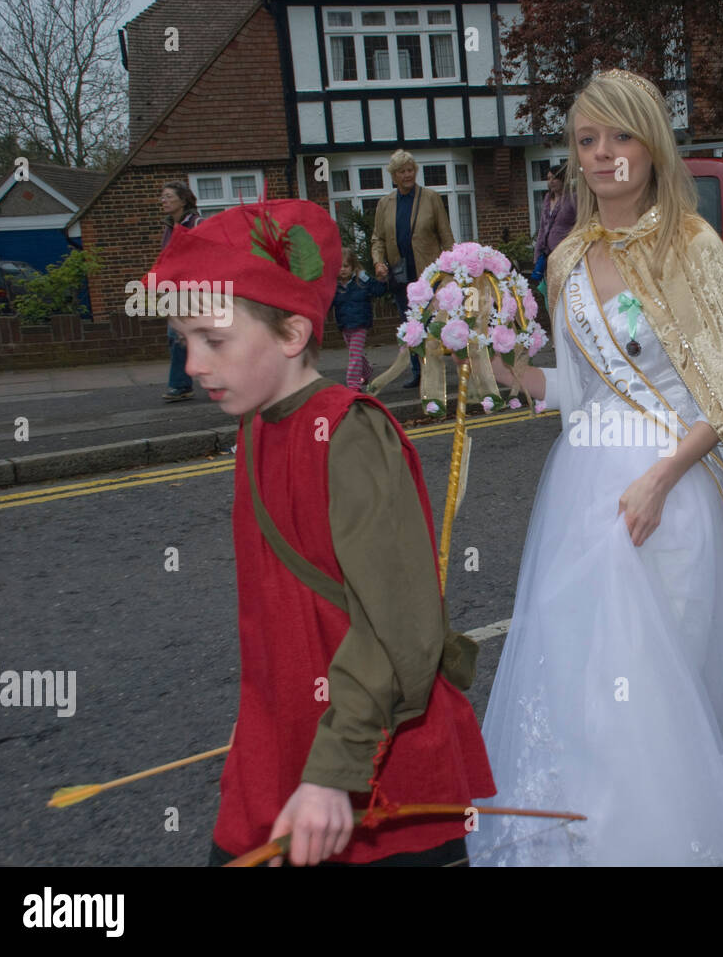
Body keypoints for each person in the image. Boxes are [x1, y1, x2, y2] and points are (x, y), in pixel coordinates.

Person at [466, 70, 723, 866]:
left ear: (652, 143)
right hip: (583, 488)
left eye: (622, 136)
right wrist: (500, 369)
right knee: (590, 681)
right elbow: (573, 386)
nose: (605, 156)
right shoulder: (567, 256)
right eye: (588, 141)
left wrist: (661, 479)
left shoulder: (691, 246)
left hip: (671, 494)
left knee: (670, 681)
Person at [152, 197, 494, 866]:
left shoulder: (349, 434)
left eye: (213, 341)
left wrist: (335, 771)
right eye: (184, 343)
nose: (193, 365)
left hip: (369, 765)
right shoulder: (256, 425)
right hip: (281, 751)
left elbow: (402, 628)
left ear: (290, 335)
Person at [371, 150, 454, 389]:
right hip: (400, 275)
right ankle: (418, 372)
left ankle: (433, 373)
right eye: (402, 171)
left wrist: (451, 271)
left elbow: (446, 236)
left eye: (410, 170)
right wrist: (378, 261)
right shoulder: (385, 204)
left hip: (428, 276)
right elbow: (377, 238)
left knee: (430, 325)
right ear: (394, 176)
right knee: (410, 325)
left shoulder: (431, 198)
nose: (407, 175)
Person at [158, 182, 203, 401]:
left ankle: (181, 385)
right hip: (176, 290)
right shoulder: (169, 227)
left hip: (197, 289)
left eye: (168, 196)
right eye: (162, 197)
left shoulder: (196, 223)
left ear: (183, 200)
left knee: (179, 335)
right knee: (180, 336)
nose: (163, 201)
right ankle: (182, 385)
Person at [333, 247, 387, 392]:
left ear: (353, 266)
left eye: (346, 266)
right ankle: (367, 371)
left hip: (360, 324)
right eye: (339, 266)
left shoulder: (362, 280)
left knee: (354, 354)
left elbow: (378, 290)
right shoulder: (335, 286)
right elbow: (326, 301)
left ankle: (353, 385)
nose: (342, 270)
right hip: (344, 325)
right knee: (354, 352)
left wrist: (381, 279)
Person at [530, 163, 576, 291]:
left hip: (564, 254)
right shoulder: (547, 198)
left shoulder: (573, 198)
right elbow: (543, 227)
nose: (551, 181)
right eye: (548, 178)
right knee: (549, 291)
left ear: (563, 179)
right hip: (547, 254)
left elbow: (581, 224)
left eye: (554, 178)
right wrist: (537, 254)